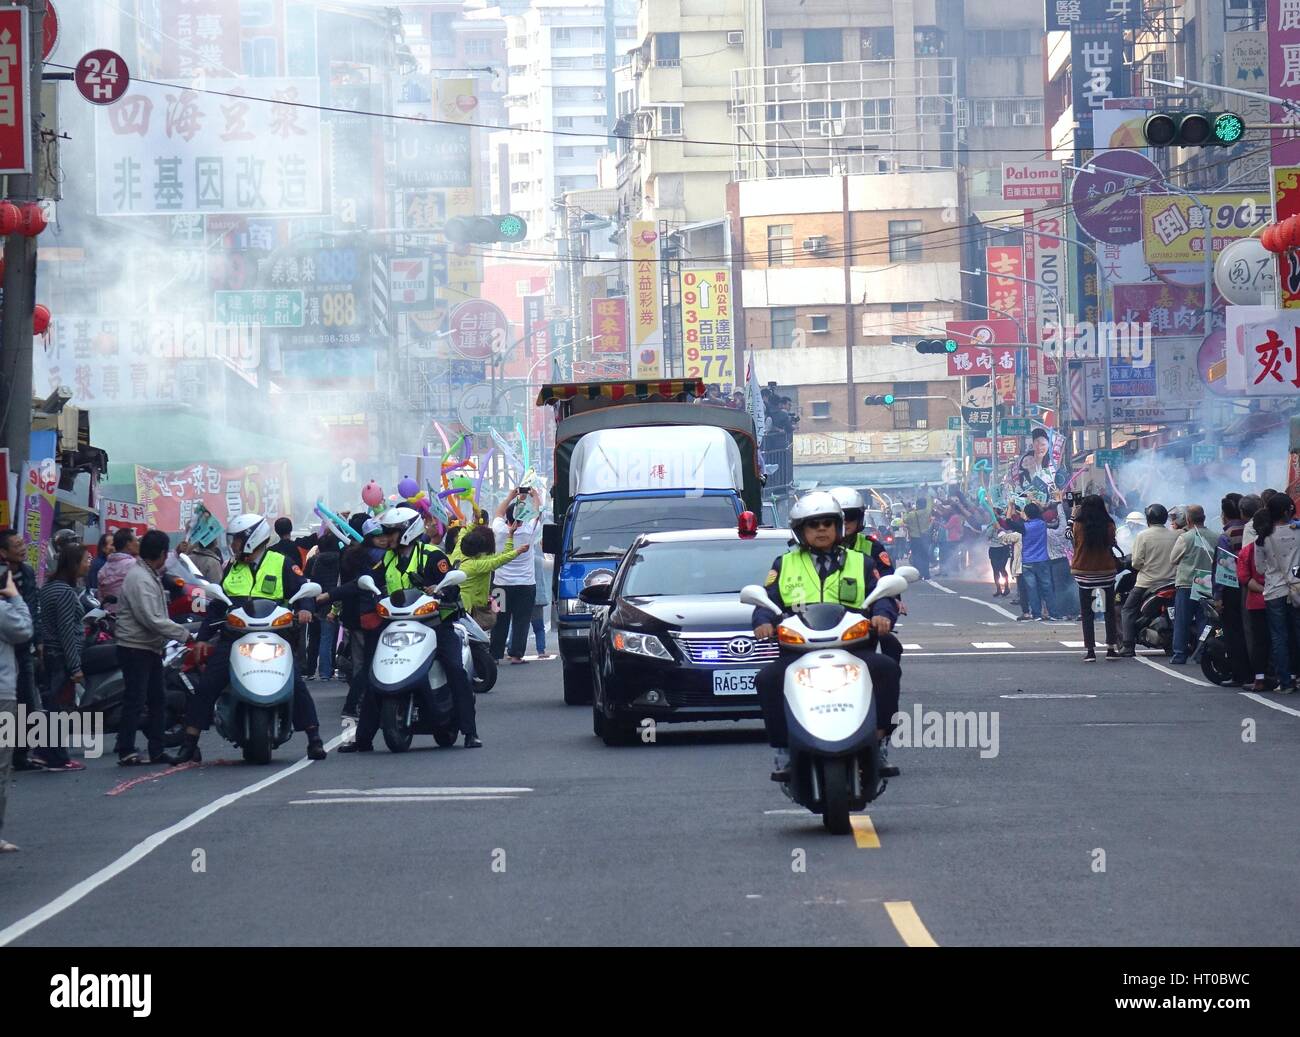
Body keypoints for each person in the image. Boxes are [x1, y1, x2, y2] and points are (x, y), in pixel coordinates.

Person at [752, 492, 903, 781]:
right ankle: (784, 750)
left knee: (886, 669)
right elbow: (766, 601)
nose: (821, 529)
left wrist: (883, 615)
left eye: (827, 523)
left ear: (838, 527)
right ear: (801, 531)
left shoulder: (862, 563)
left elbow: (882, 595)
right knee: (767, 679)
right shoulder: (784, 565)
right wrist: (763, 622)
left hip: (854, 647)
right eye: (813, 524)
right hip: (799, 650)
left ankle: (879, 741)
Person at [173, 513, 326, 763]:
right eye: (232, 540)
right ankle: (189, 742)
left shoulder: (282, 562)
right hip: (235, 637)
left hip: (277, 634)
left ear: (252, 539)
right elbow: (217, 604)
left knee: (295, 683)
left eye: (236, 539)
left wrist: (306, 607)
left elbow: (302, 586)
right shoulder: (232, 568)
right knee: (208, 683)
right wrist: (202, 637)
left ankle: (314, 739)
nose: (233, 545)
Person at [346, 506, 479, 750]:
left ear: (407, 531)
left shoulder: (432, 556)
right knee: (372, 672)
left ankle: (470, 732)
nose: (387, 537)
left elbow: (452, 585)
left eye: (392, 532)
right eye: (386, 532)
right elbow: (368, 581)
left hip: (437, 625)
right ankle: (363, 739)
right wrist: (331, 596)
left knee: (455, 669)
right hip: (397, 626)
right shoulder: (386, 559)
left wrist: (442, 590)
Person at [114, 530, 196, 766]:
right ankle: (127, 749)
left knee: (156, 699)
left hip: (147, 646)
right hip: (135, 647)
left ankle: (156, 749)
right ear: (160, 553)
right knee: (137, 699)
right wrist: (185, 635)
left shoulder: (147, 573)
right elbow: (152, 618)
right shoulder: (140, 578)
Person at [829, 487, 902, 664]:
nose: (845, 522)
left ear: (860, 518)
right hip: (816, 624)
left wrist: (885, 612)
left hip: (861, 620)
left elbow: (887, 583)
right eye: (838, 518)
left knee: (889, 658)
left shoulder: (872, 548)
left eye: (851, 517)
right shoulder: (803, 554)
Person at [34, 545, 91, 771]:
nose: (89, 563)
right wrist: (75, 666)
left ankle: (43, 752)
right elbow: (66, 630)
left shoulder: (49, 587)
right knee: (57, 709)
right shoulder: (65, 592)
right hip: (60, 656)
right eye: (86, 559)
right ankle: (58, 758)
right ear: (74, 564)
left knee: (49, 707)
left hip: (50, 654)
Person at [0, 565, 34, 852]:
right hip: (2, 694)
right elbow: (24, 630)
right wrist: (15, 596)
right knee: (1, 764)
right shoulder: (2, 608)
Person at [0, 531, 40, 772]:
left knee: (26, 699)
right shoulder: (4, 577)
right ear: (3, 552)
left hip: (23, 646)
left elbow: (32, 607)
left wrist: (39, 640)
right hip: (9, 638)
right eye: (16, 545)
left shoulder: (27, 572)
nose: (22, 548)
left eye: (22, 543)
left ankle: (22, 753)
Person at [1252, 493, 1300, 693]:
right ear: (1286, 511)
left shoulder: (1262, 537)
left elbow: (1260, 569)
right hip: (1297, 589)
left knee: (1279, 637)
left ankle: (1285, 681)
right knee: (1297, 634)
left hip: (1274, 590)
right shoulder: (1297, 531)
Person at [490, 488, 542, 664]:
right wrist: (534, 495)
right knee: (522, 620)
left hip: (500, 584)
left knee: (499, 620)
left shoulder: (499, 530)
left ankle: (495, 655)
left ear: (508, 517)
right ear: (523, 517)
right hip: (525, 585)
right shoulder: (529, 531)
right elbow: (537, 512)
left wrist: (510, 496)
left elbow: (498, 512)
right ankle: (516, 654)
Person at [1118, 504, 1178, 657]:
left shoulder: (1143, 536)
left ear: (1149, 519)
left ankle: (1128, 646)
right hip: (1172, 582)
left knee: (1127, 609)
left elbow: (1136, 562)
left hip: (1147, 584)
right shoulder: (1175, 535)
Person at [1069, 495, 1120, 661]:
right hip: (1105, 571)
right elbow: (1112, 542)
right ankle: (1111, 648)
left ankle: (1090, 650)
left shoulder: (1078, 525)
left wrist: (1072, 515)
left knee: (1087, 612)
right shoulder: (1109, 524)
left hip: (1084, 572)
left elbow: (1071, 539)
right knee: (1108, 611)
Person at [451, 525, 528, 633]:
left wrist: (474, 522)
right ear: (478, 549)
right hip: (470, 611)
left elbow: (462, 533)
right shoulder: (476, 565)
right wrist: (518, 551)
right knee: (476, 645)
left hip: (457, 606)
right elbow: (500, 560)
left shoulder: (458, 553)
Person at [1168, 504, 1215, 665]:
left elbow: (1173, 559)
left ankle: (1180, 654)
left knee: (1182, 620)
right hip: (1208, 584)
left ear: (1188, 519)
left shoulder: (1185, 537)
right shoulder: (1216, 536)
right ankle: (1203, 653)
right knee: (1204, 620)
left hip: (1187, 583)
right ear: (1204, 518)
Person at [1213, 494, 1252, 687]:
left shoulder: (1226, 536)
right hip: (1252, 587)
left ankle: (1239, 674)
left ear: (1224, 515)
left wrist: (1218, 596)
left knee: (1234, 633)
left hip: (1232, 590)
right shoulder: (1251, 530)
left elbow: (1223, 568)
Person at [1237, 499, 1273, 692]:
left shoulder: (1247, 550)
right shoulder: (1287, 546)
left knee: (1259, 641)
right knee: (1280, 638)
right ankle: (1286, 676)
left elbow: (1244, 578)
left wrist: (1263, 589)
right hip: (1280, 599)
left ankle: (1260, 678)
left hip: (1257, 602)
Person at [1001, 502, 1058, 621]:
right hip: (1043, 560)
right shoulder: (1042, 523)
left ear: (1027, 514)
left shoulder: (1023, 527)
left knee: (1032, 590)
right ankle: (1053, 613)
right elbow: (1040, 512)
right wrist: (1033, 501)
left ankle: (1036, 614)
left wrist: (1011, 507)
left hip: (1028, 562)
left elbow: (1008, 522)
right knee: (1047, 588)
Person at [304, 532, 342, 681]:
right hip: (333, 601)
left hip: (316, 602)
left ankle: (310, 670)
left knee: (314, 638)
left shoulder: (314, 560)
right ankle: (327, 671)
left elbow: (308, 582)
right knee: (328, 638)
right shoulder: (340, 560)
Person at [96, 528, 139, 614]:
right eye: (136, 540)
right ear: (129, 544)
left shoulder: (103, 569)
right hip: (129, 618)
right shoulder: (134, 565)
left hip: (108, 618)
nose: (138, 543)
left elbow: (100, 597)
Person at [528, 545, 553, 659]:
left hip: (520, 597)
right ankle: (541, 651)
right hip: (536, 599)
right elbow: (552, 565)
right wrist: (548, 554)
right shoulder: (537, 560)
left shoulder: (515, 560)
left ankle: (513, 650)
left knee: (517, 625)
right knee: (538, 627)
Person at [903, 496, 932, 579]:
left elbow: (904, 520)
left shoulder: (912, 514)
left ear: (917, 505)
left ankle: (918, 574)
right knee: (925, 556)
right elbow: (930, 503)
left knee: (916, 556)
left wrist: (907, 510)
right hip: (925, 538)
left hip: (915, 538)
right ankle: (926, 574)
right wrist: (928, 493)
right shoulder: (927, 512)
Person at [987, 521, 1011, 597]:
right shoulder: (991, 525)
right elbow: (988, 536)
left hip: (1003, 548)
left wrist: (1000, 528)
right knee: (995, 569)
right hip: (994, 548)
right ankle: (998, 589)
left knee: (1002, 568)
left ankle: (1006, 587)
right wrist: (993, 527)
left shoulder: (1005, 523)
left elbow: (1009, 534)